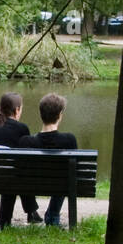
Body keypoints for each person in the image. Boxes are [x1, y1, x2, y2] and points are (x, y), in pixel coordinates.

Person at [0, 92, 41, 228]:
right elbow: (25, 158)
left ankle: (8, 220)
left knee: (10, 172)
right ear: (17, 110)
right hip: (11, 179)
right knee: (17, 173)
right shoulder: (22, 128)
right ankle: (31, 212)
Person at [19, 93, 77, 227]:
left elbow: (20, 170)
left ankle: (44, 213)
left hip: (32, 185)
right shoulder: (69, 140)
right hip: (60, 186)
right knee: (64, 177)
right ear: (60, 115)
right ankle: (53, 214)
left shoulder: (26, 142)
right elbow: (75, 170)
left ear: (41, 114)